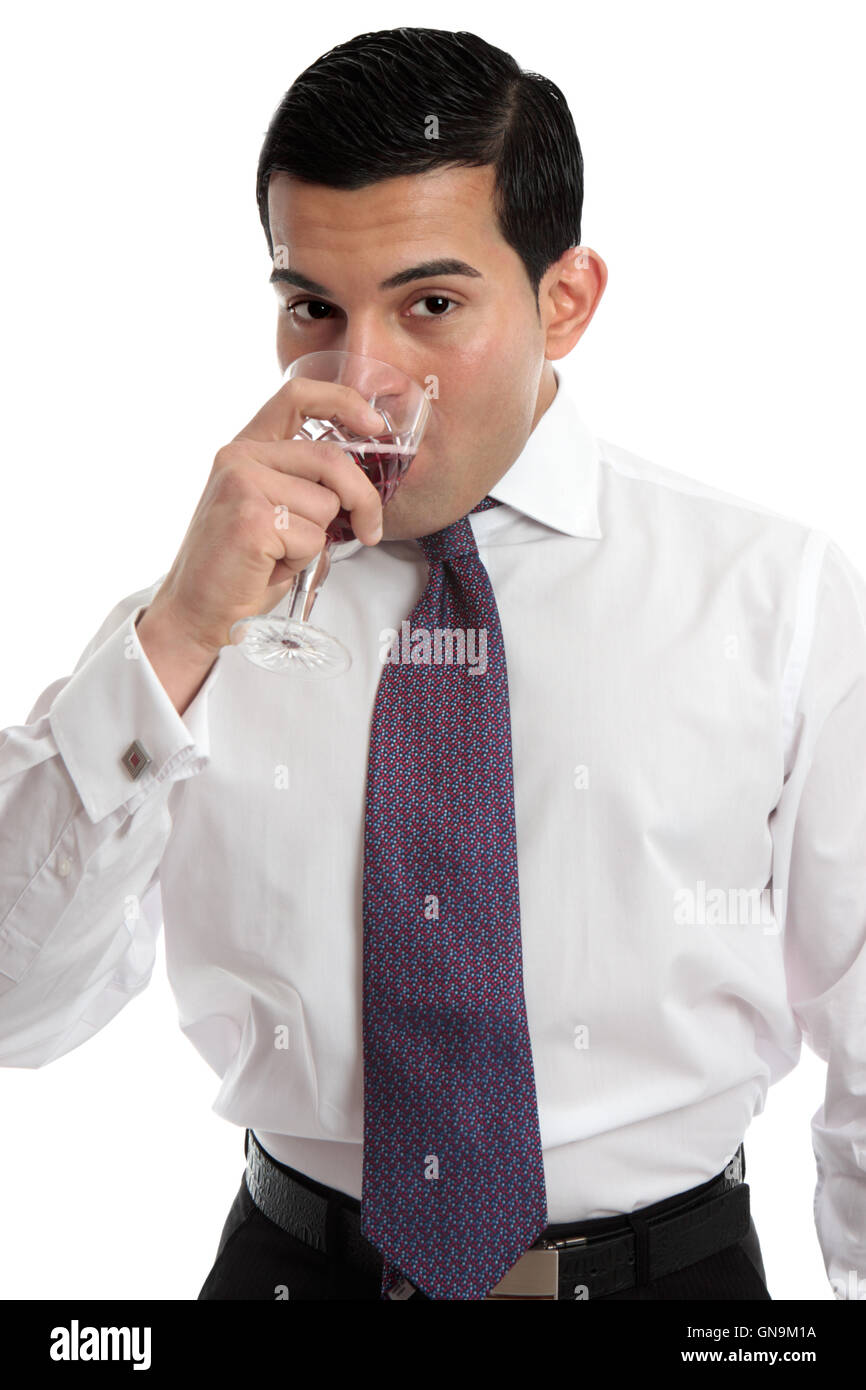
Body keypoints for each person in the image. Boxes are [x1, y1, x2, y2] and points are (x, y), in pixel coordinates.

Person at [1, 26, 864, 1302]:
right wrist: (178, 635)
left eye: (431, 306)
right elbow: (20, 1003)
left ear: (562, 300)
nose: (360, 379)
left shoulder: (771, 595)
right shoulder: (199, 616)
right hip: (290, 1273)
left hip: (668, 1290)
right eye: (312, 309)